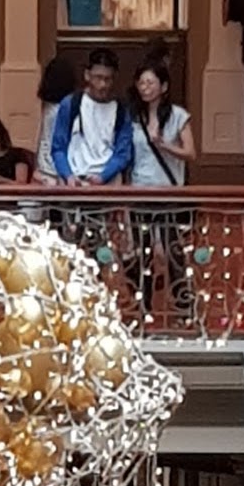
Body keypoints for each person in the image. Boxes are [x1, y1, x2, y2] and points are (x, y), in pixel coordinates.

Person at [127, 61, 197, 321]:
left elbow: (190, 153)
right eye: (141, 83)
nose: (145, 88)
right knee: (142, 251)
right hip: (139, 190)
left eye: (150, 83)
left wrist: (165, 145)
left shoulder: (178, 115)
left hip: (168, 192)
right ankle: (143, 306)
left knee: (173, 249)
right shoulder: (134, 117)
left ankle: (183, 305)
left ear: (164, 87)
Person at [50, 48, 133, 186]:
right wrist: (67, 175)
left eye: (108, 79)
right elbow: (58, 147)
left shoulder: (121, 109)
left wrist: (103, 176)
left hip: (108, 181)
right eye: (98, 78)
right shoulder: (71, 104)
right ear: (87, 75)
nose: (103, 85)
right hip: (74, 180)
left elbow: (123, 152)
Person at [34, 58, 79, 185]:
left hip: (43, 167)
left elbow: (42, 138)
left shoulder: (47, 108)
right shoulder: (66, 108)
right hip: (57, 171)